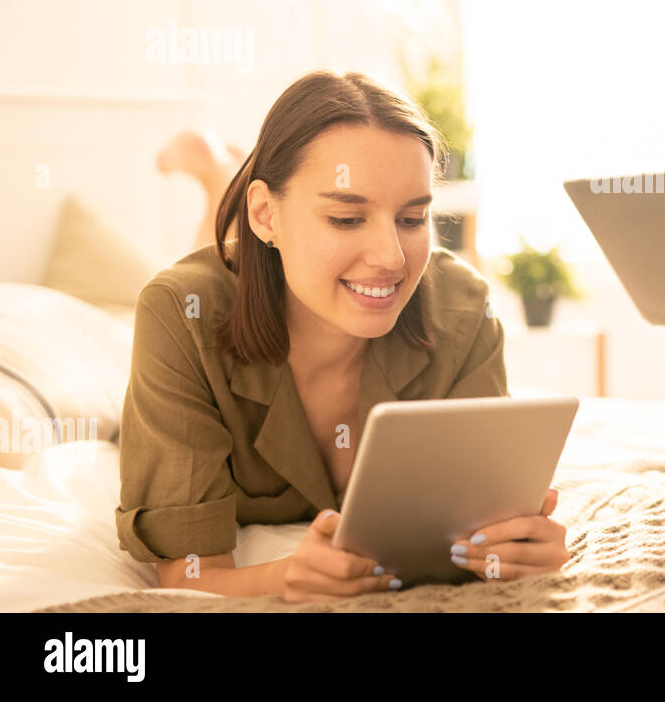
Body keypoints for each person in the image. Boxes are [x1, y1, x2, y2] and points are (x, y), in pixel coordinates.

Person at [117, 71, 570, 603]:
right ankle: (217, 177)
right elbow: (189, 574)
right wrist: (285, 578)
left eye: (412, 217)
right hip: (220, 293)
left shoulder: (463, 307)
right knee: (212, 282)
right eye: (347, 217)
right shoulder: (178, 316)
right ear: (265, 212)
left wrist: (516, 551)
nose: (392, 258)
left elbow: (487, 530)